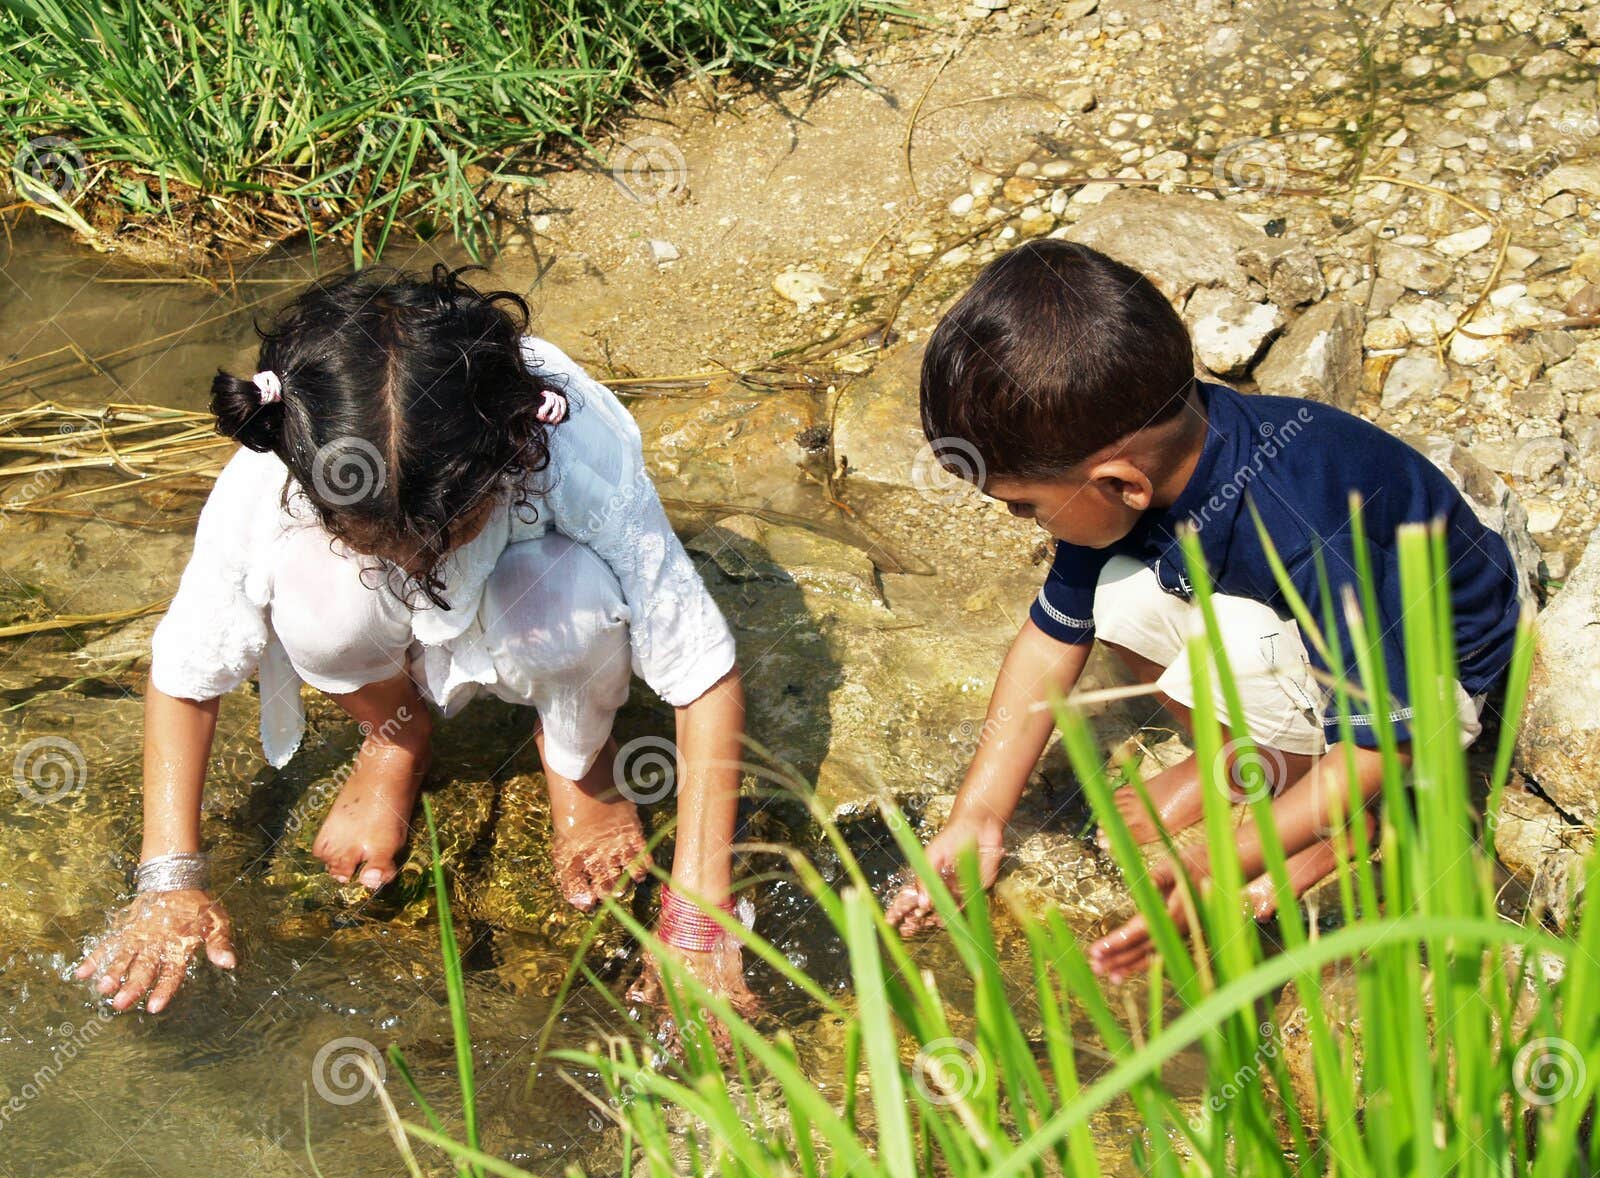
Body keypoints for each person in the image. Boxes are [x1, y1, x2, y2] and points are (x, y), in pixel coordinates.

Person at [76, 263, 753, 1016]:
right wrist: (169, 878)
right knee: (313, 594)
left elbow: (702, 677)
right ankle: (393, 734)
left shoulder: (568, 439)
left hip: (536, 593)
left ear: (514, 454)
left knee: (561, 605)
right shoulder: (276, 473)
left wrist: (697, 918)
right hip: (379, 638)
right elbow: (186, 673)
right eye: (382, 543)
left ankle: (579, 761)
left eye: (445, 533)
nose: (415, 563)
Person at [885, 239, 1522, 980]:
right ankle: (1247, 762)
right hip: (1317, 652)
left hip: (1438, 680)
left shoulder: (1304, 525)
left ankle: (1341, 827)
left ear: (1121, 484)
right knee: (1115, 596)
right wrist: (979, 815)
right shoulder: (1144, 471)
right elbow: (1050, 643)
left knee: (1241, 643)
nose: (1021, 523)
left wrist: (1221, 858)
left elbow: (1393, 737)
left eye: (1026, 508)